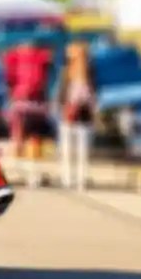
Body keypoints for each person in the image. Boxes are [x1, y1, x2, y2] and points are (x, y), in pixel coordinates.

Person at [5, 39, 53, 188]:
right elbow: (46, 82)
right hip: (37, 104)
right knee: (34, 139)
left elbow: (9, 79)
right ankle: (34, 175)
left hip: (20, 102)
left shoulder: (14, 59)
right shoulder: (42, 59)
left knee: (19, 138)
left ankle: (21, 173)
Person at [55, 42, 98, 191]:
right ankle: (68, 178)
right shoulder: (66, 72)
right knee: (68, 149)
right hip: (69, 114)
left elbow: (92, 96)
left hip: (82, 115)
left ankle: (79, 179)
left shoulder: (89, 74)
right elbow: (61, 94)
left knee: (82, 150)